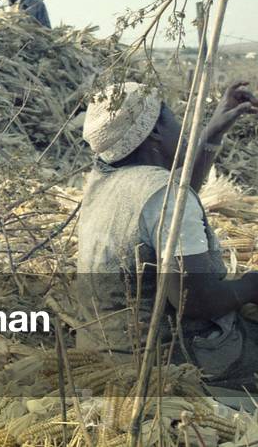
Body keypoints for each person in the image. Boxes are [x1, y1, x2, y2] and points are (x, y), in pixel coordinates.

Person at [76, 81, 258, 388]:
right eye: (173, 118)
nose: (181, 127)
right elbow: (193, 300)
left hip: (107, 347)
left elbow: (173, 200)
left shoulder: (107, 180)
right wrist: (250, 285)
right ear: (156, 132)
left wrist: (212, 133)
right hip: (169, 360)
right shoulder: (165, 194)